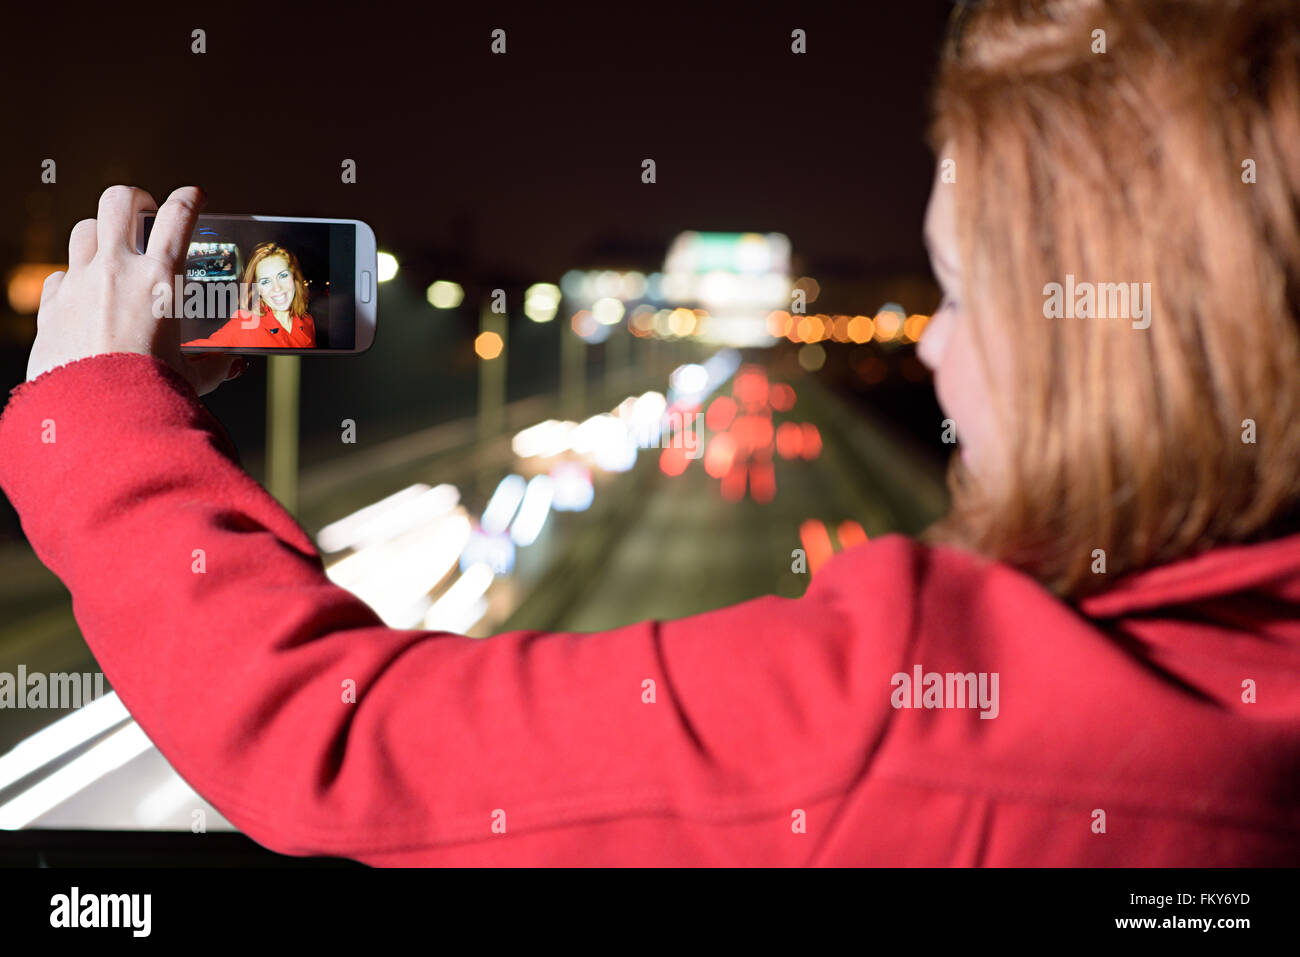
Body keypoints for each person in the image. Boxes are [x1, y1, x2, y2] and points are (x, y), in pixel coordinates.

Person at [3, 0, 1299, 865]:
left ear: (1114, 342)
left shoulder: (920, 717)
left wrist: (97, 411)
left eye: (958, 291)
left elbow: (330, 742)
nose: (926, 345)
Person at [182, 241, 316, 349]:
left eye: (283, 276)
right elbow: (201, 349)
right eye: (266, 281)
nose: (277, 288)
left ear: (294, 277)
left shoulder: (307, 320)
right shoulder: (247, 324)